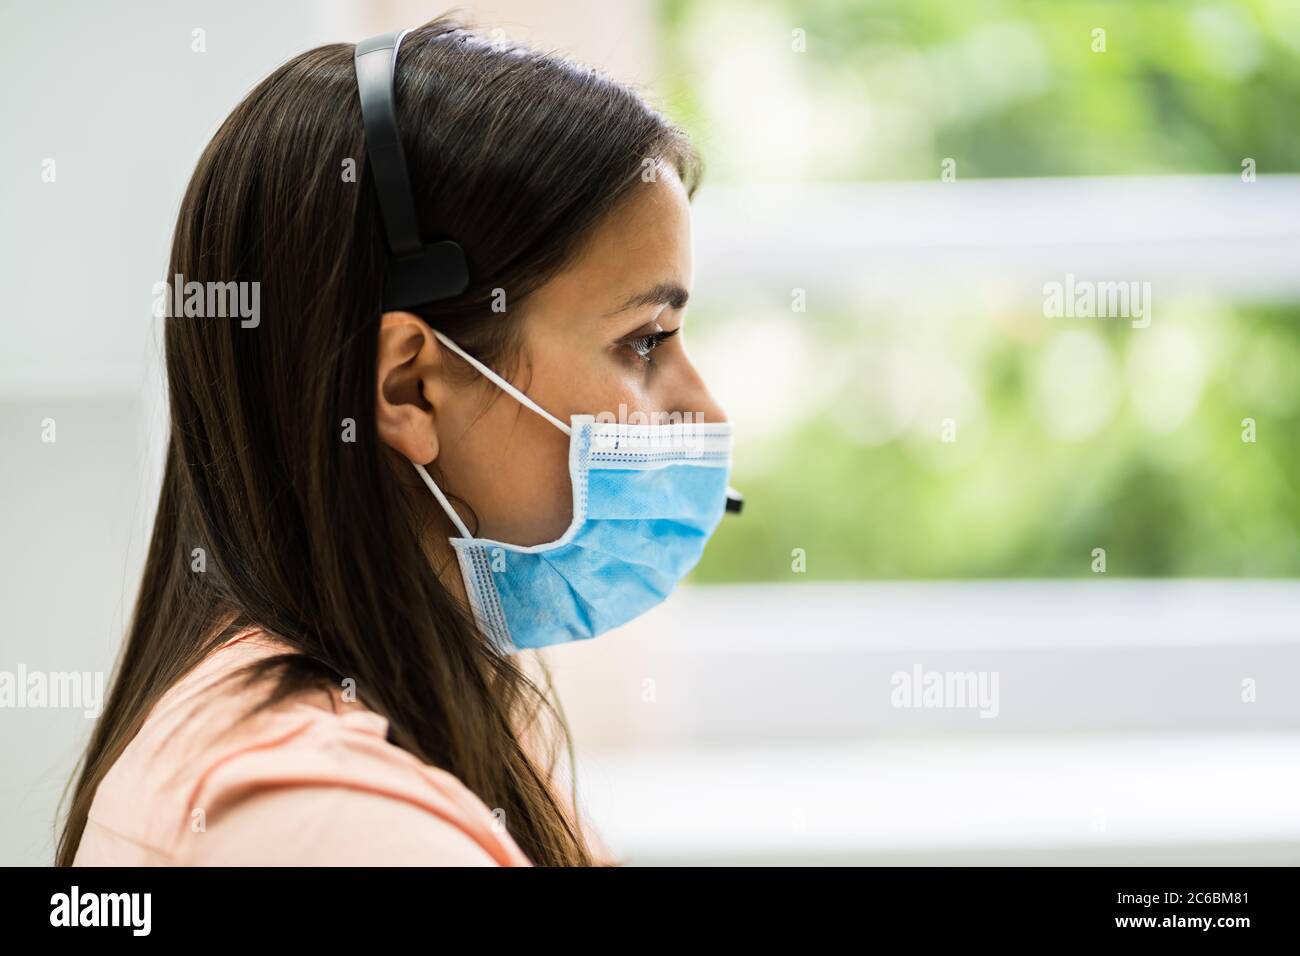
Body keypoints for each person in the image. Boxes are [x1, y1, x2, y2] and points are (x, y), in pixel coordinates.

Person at [58, 15, 732, 867]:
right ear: (408, 385)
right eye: (643, 339)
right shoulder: (326, 819)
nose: (703, 413)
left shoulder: (420, 726)